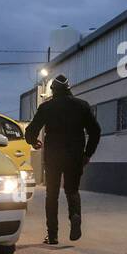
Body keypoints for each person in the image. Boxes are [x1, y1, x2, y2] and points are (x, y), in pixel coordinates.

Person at [24, 75, 101, 245]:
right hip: (75, 156)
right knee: (72, 190)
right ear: (69, 88)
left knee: (52, 194)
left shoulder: (46, 107)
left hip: (53, 156)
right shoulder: (82, 106)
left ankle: (52, 236)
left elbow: (30, 131)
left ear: (53, 90)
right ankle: (75, 215)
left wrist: (34, 142)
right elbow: (96, 131)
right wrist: (88, 153)